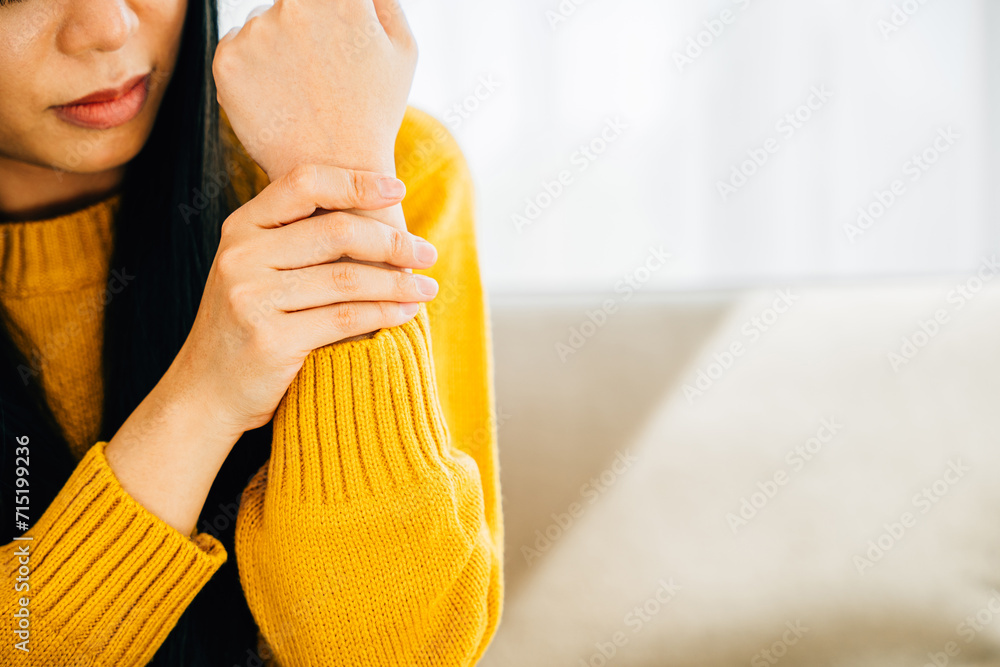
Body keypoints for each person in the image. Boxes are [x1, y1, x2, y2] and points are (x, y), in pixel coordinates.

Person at [0, 0, 503, 664]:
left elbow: (395, 653)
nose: (107, 27)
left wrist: (333, 179)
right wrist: (203, 398)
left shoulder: (382, 162)